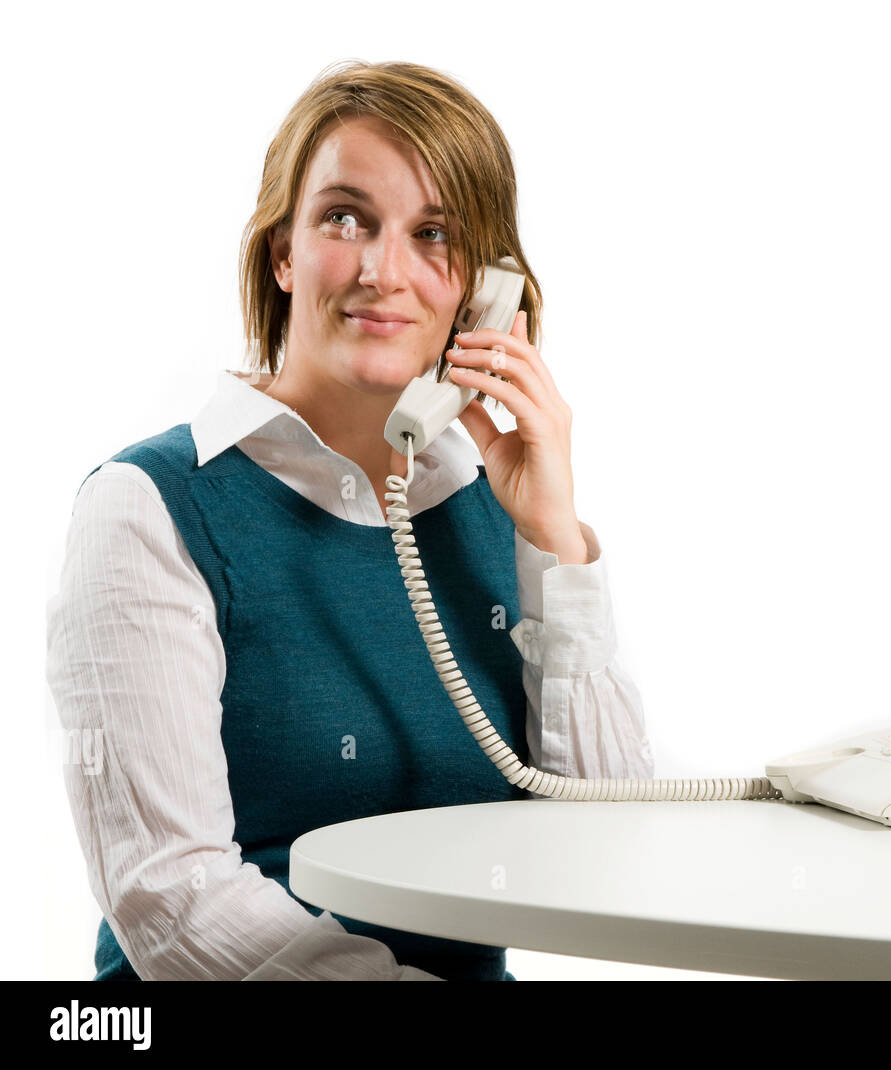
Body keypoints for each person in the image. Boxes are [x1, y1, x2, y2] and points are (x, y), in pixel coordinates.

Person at [45, 59, 654, 981]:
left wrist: (553, 539)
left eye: (434, 233)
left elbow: (614, 847)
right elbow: (170, 899)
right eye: (344, 219)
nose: (383, 272)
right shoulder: (149, 509)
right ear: (282, 254)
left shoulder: (492, 505)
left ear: (483, 290)